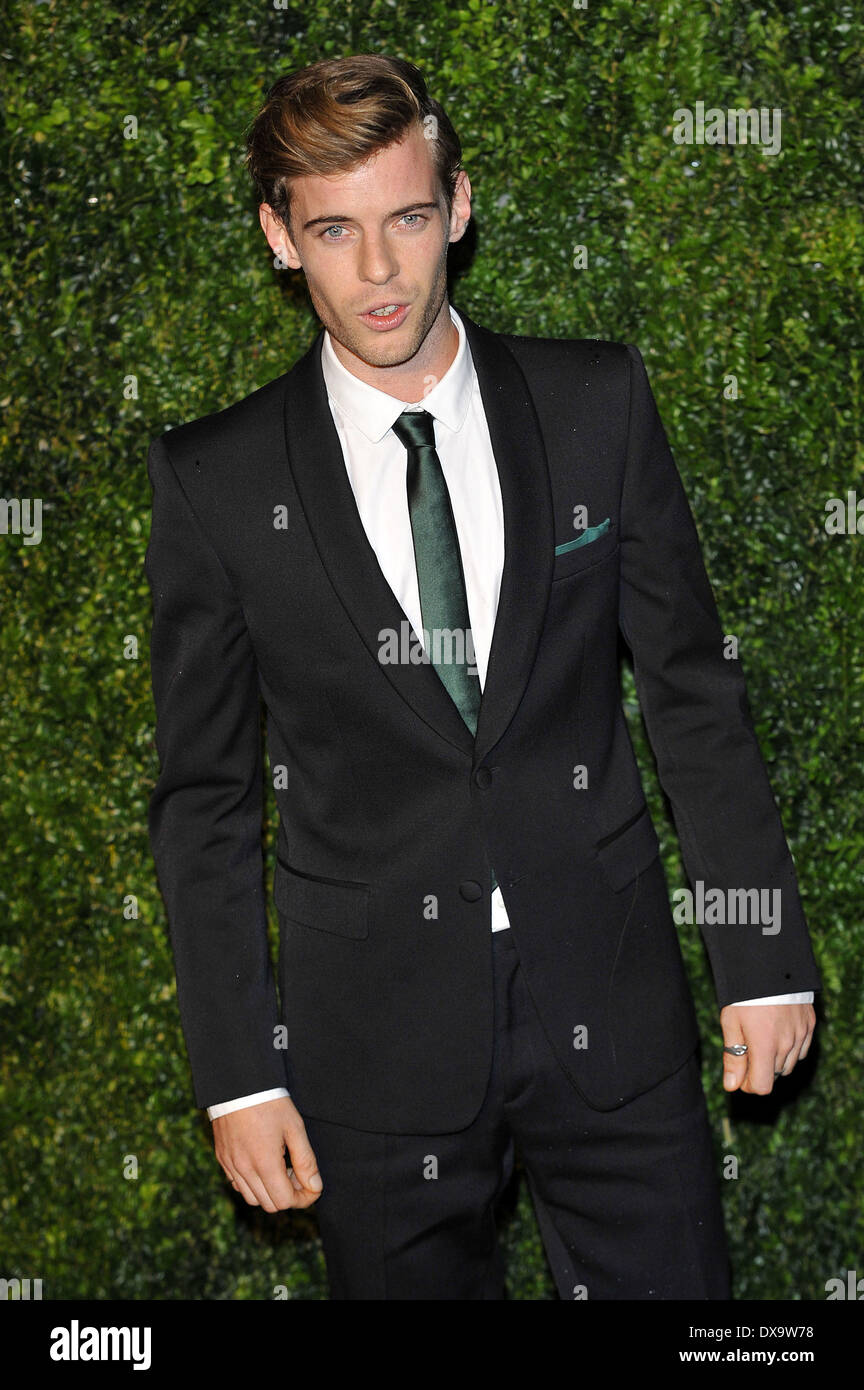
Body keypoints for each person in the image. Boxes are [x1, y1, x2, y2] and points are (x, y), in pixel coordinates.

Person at [145, 54, 821, 1300]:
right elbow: (205, 799)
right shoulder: (218, 483)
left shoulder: (595, 402)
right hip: (371, 1040)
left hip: (607, 994)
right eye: (335, 231)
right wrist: (242, 1072)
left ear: (458, 205)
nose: (381, 270)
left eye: (406, 218)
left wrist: (763, 951)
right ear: (279, 239)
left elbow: (690, 692)